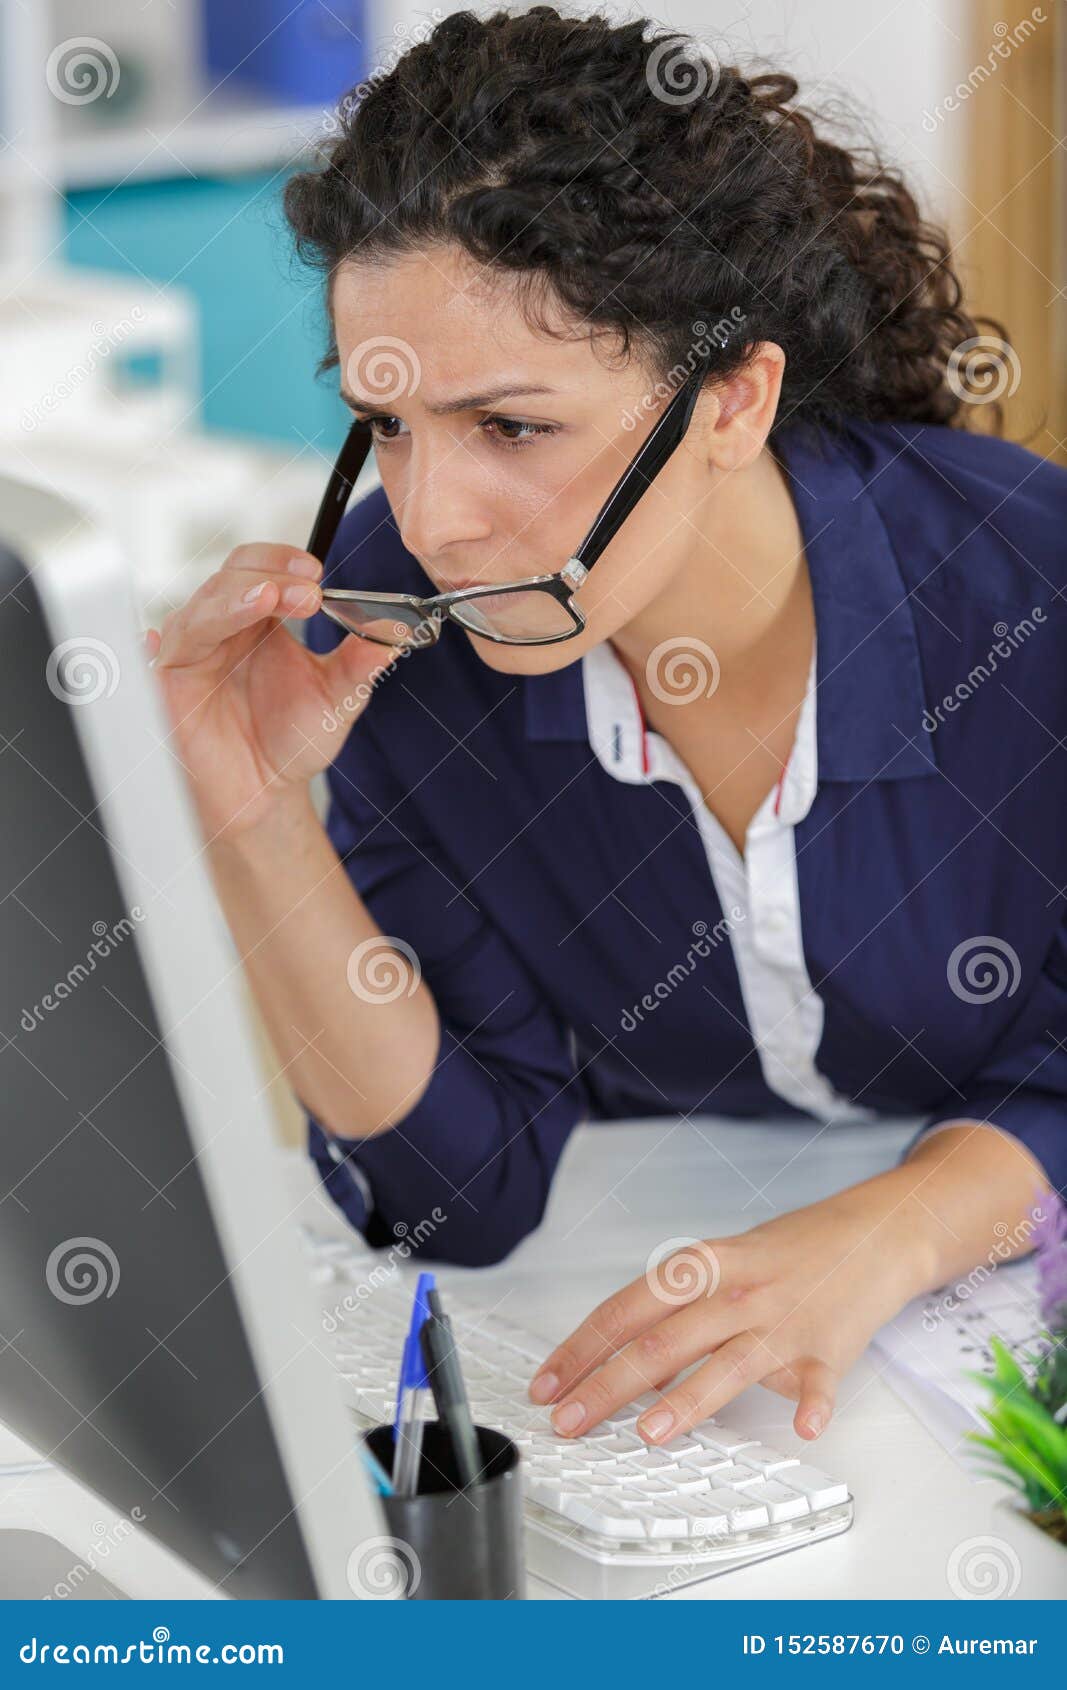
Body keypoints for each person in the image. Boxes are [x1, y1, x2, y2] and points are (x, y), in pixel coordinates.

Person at [148, 9, 1067, 1450]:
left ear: (733, 400)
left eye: (512, 428)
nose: (435, 521)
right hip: (662, 1327)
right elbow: (461, 1191)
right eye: (388, 424)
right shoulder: (400, 634)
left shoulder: (1029, 596)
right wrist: (249, 813)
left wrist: (888, 1233)